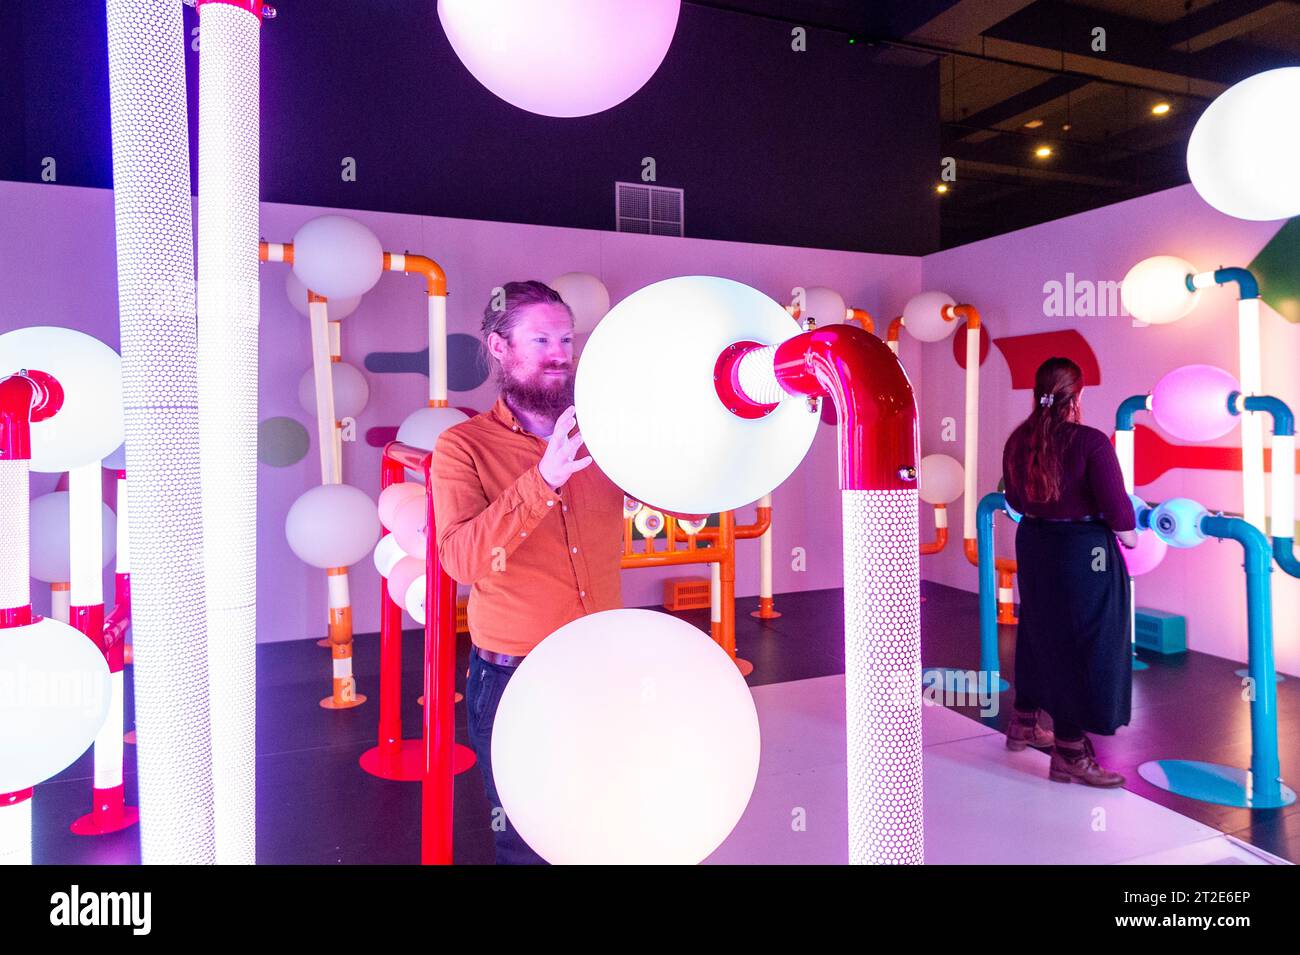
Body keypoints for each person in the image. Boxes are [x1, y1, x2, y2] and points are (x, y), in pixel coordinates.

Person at [430, 280, 626, 864]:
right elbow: (461, 559)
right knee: (526, 839)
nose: (559, 352)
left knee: (602, 818)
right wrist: (543, 481)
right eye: (539, 338)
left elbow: (684, 500)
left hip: (603, 662)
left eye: (565, 338)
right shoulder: (461, 445)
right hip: (514, 678)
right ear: (498, 347)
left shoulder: (608, 433)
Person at [1000, 357, 1138, 787]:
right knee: (1082, 646)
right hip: (1084, 555)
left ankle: (1023, 723)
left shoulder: (1017, 440)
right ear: (1077, 396)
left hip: (1036, 545)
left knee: (1040, 632)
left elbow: (1018, 503)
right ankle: (1070, 753)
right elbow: (1121, 518)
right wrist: (1129, 536)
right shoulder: (1091, 442)